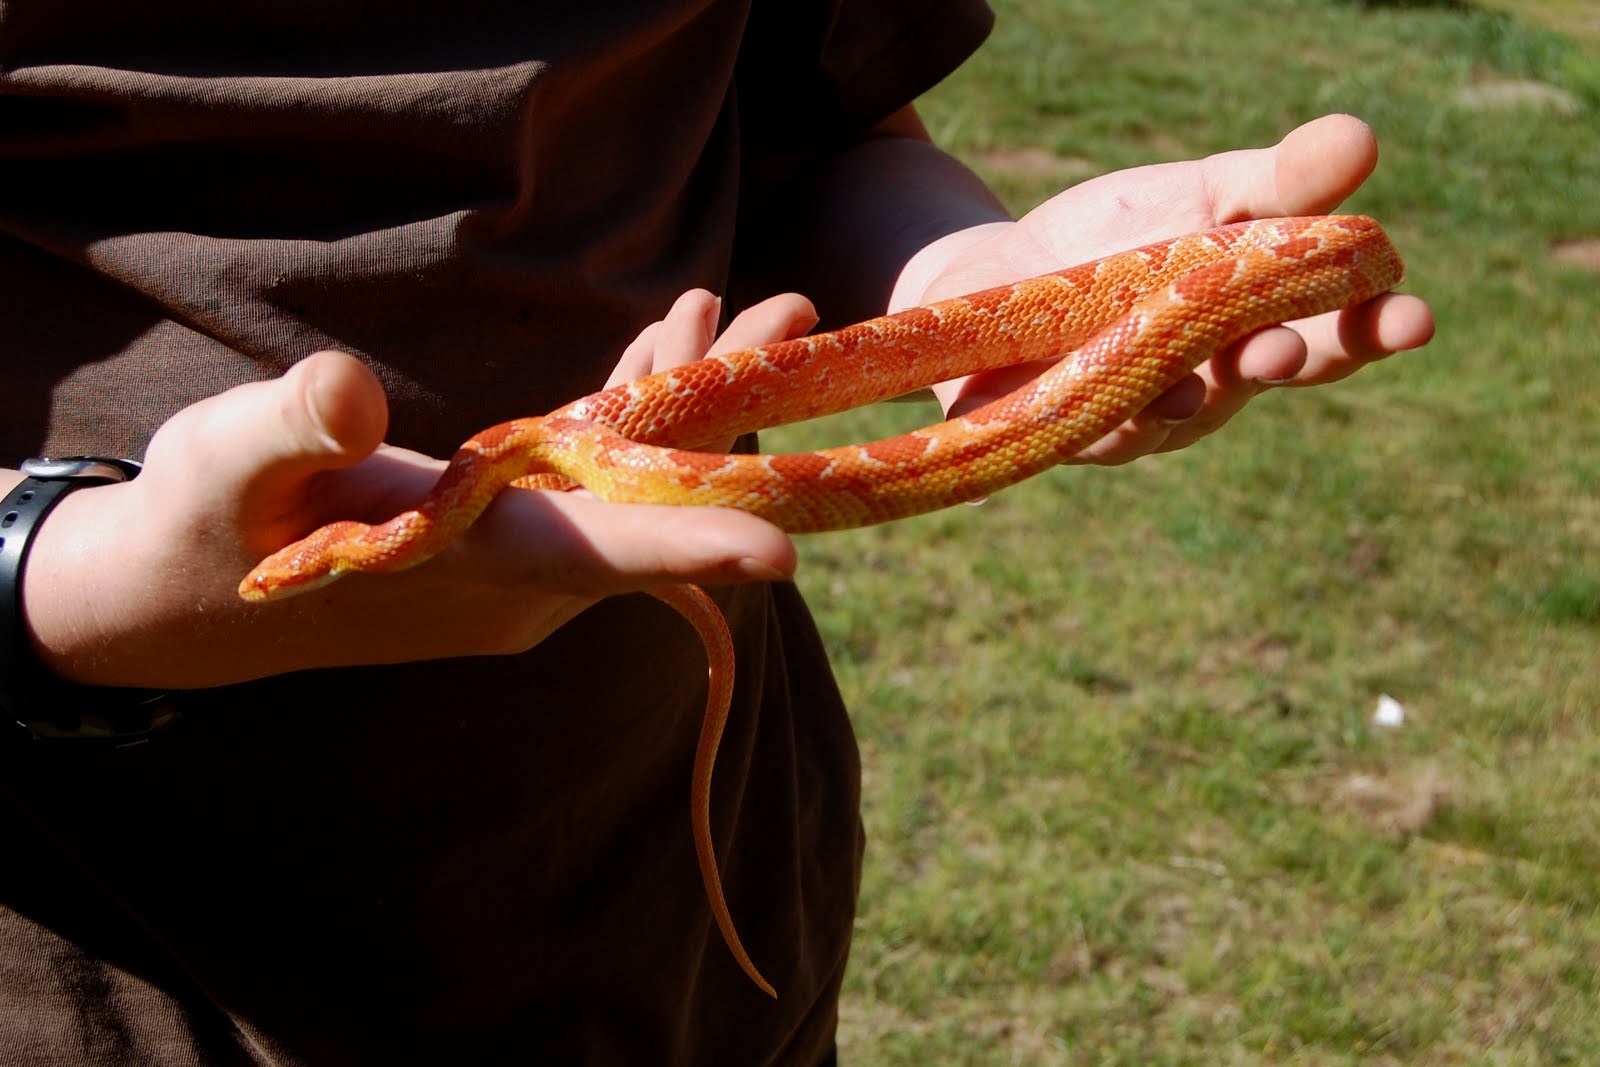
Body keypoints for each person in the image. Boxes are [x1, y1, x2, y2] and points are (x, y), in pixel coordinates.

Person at [0, 2, 1434, 1063]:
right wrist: (72, 584)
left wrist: (971, 280)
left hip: (675, 932)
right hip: (131, 977)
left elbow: (815, 122)